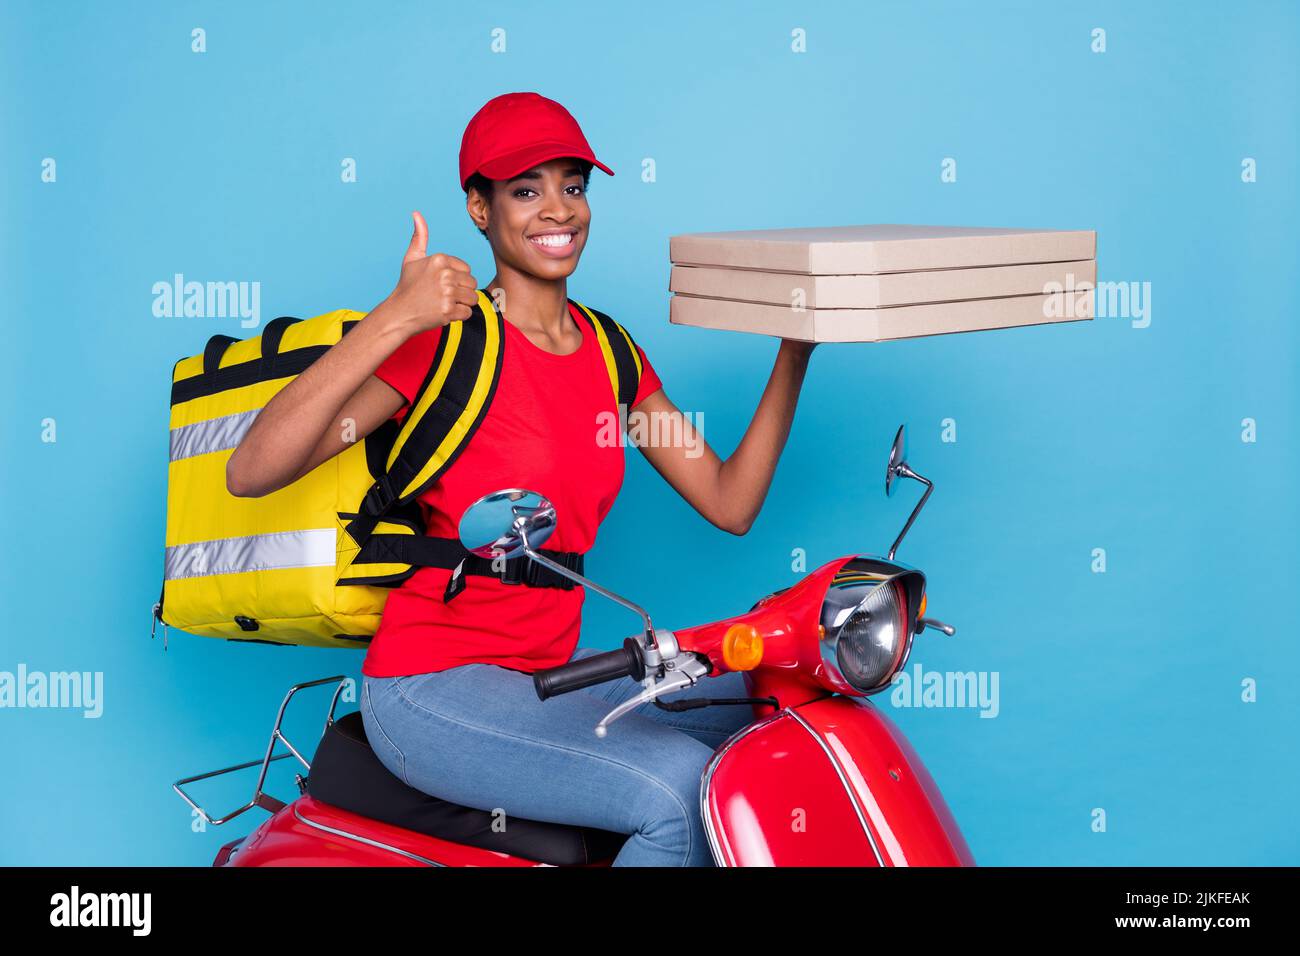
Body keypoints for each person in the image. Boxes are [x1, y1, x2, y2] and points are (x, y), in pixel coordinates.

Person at [225, 91, 817, 866]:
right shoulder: (448, 344)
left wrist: (795, 351)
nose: (557, 210)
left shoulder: (612, 356)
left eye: (573, 185)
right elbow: (252, 469)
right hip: (431, 689)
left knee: (778, 709)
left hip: (551, 683)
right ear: (479, 208)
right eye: (526, 190)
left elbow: (729, 501)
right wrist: (394, 317)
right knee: (673, 791)